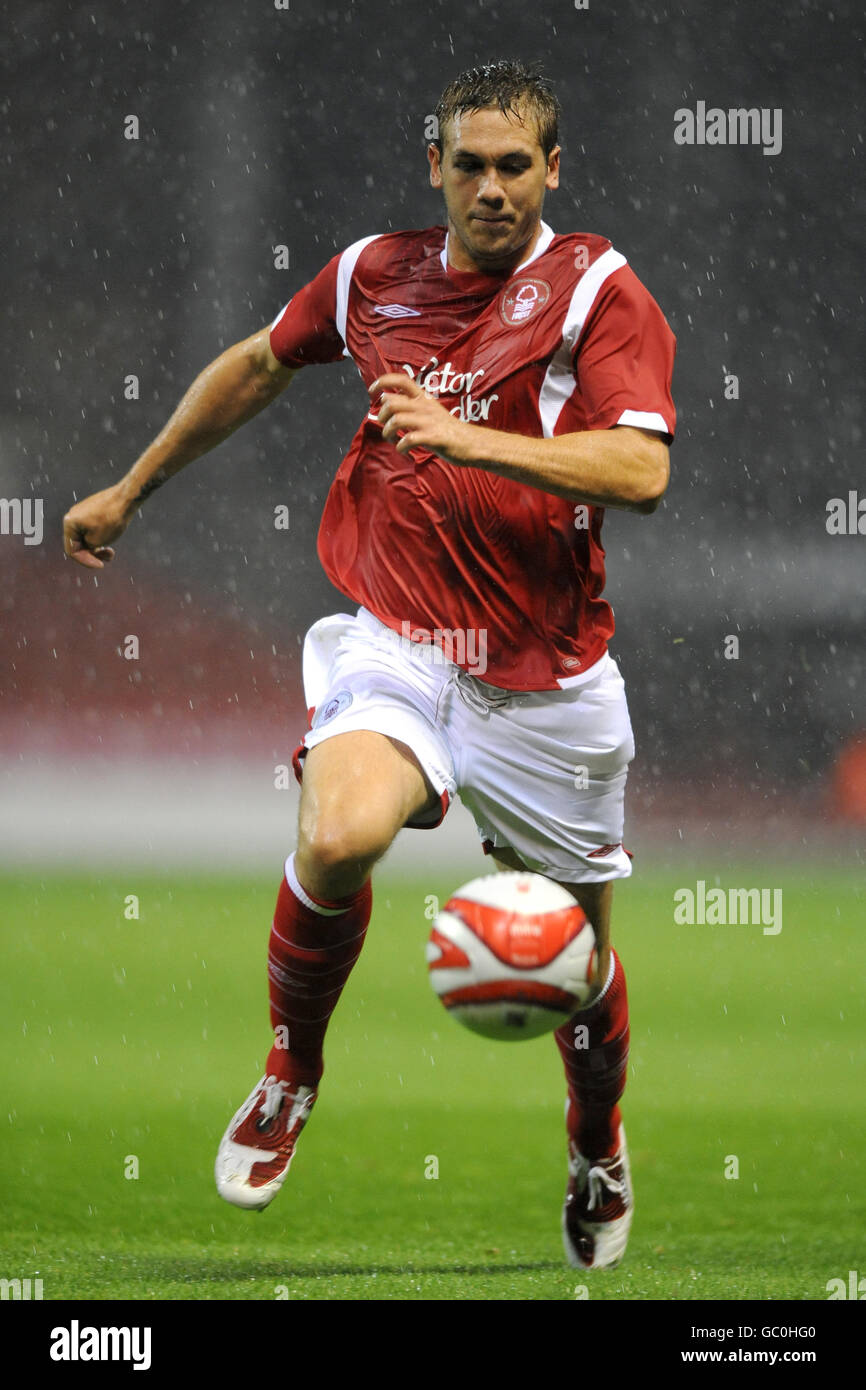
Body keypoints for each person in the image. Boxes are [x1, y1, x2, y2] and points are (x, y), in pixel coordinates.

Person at [62, 59, 676, 1271]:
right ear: (433, 166)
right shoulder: (371, 275)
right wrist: (133, 489)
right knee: (338, 835)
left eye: (514, 166)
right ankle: (292, 1069)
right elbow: (256, 363)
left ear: (552, 170)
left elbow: (642, 470)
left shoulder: (596, 288)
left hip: (549, 684)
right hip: (400, 638)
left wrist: (462, 436)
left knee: (580, 958)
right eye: (469, 165)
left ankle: (596, 1136)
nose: (490, 188)